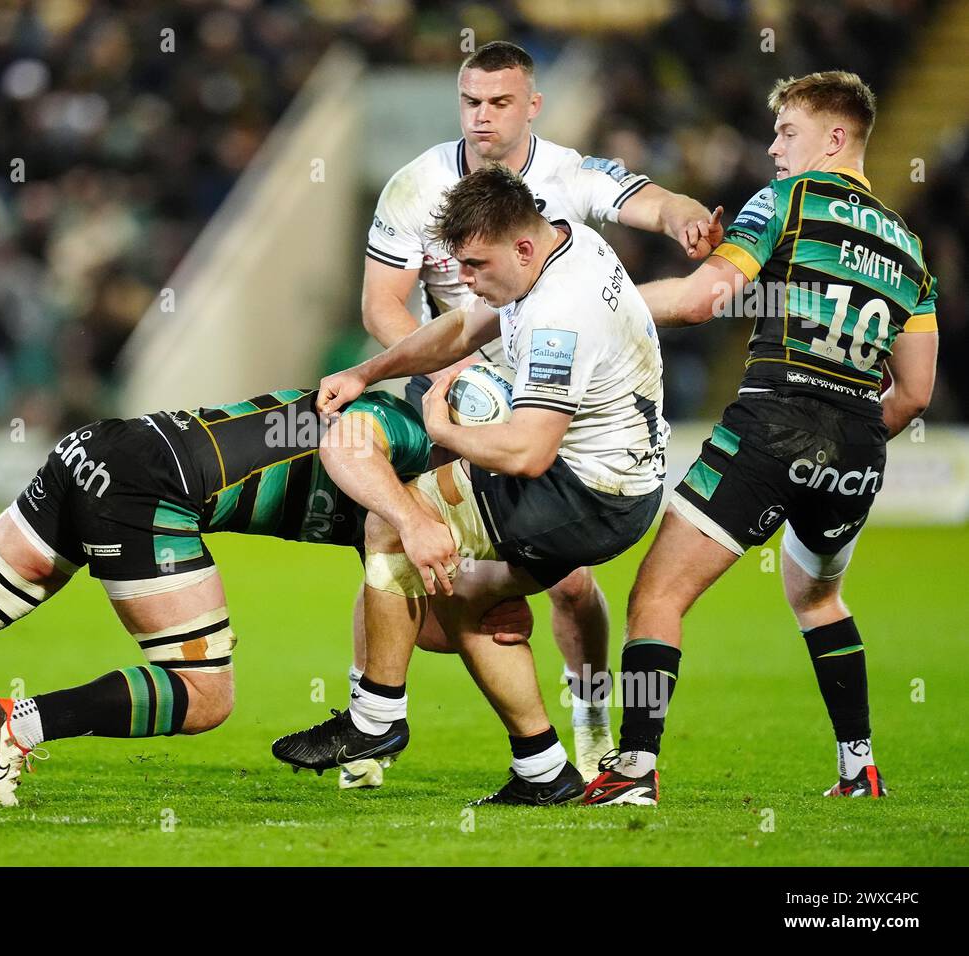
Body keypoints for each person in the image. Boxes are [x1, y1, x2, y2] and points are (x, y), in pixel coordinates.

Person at [0, 387, 535, 806]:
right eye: (485, 463)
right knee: (207, 696)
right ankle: (17, 727)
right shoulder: (397, 437)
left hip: (100, 448)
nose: (480, 487)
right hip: (150, 492)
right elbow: (352, 441)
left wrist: (463, 612)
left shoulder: (407, 506)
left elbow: (408, 618)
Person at [359, 40, 721, 780]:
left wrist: (684, 215)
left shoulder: (568, 179)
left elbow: (648, 200)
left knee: (565, 583)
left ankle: (584, 724)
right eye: (470, 102)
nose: (481, 117)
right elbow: (380, 304)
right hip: (459, 391)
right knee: (403, 541)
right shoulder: (413, 186)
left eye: (498, 102)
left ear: (532, 106)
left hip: (554, 410)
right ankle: (369, 739)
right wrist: (453, 377)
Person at [583, 71, 938, 806]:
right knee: (817, 600)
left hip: (773, 422)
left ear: (834, 139)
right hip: (857, 448)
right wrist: (846, 435)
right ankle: (858, 766)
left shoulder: (788, 201)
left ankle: (635, 770)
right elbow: (917, 393)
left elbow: (699, 301)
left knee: (658, 595)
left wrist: (587, 306)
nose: (773, 147)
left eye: (787, 132)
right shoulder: (911, 250)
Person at [273, 165, 668, 805]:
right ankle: (543, 771)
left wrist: (444, 429)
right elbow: (458, 328)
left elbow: (530, 451)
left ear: (522, 247)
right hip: (613, 479)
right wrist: (366, 371)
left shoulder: (559, 318)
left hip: (587, 492)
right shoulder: (566, 242)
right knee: (462, 594)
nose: (467, 282)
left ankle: (376, 719)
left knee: (398, 519)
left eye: (478, 267)